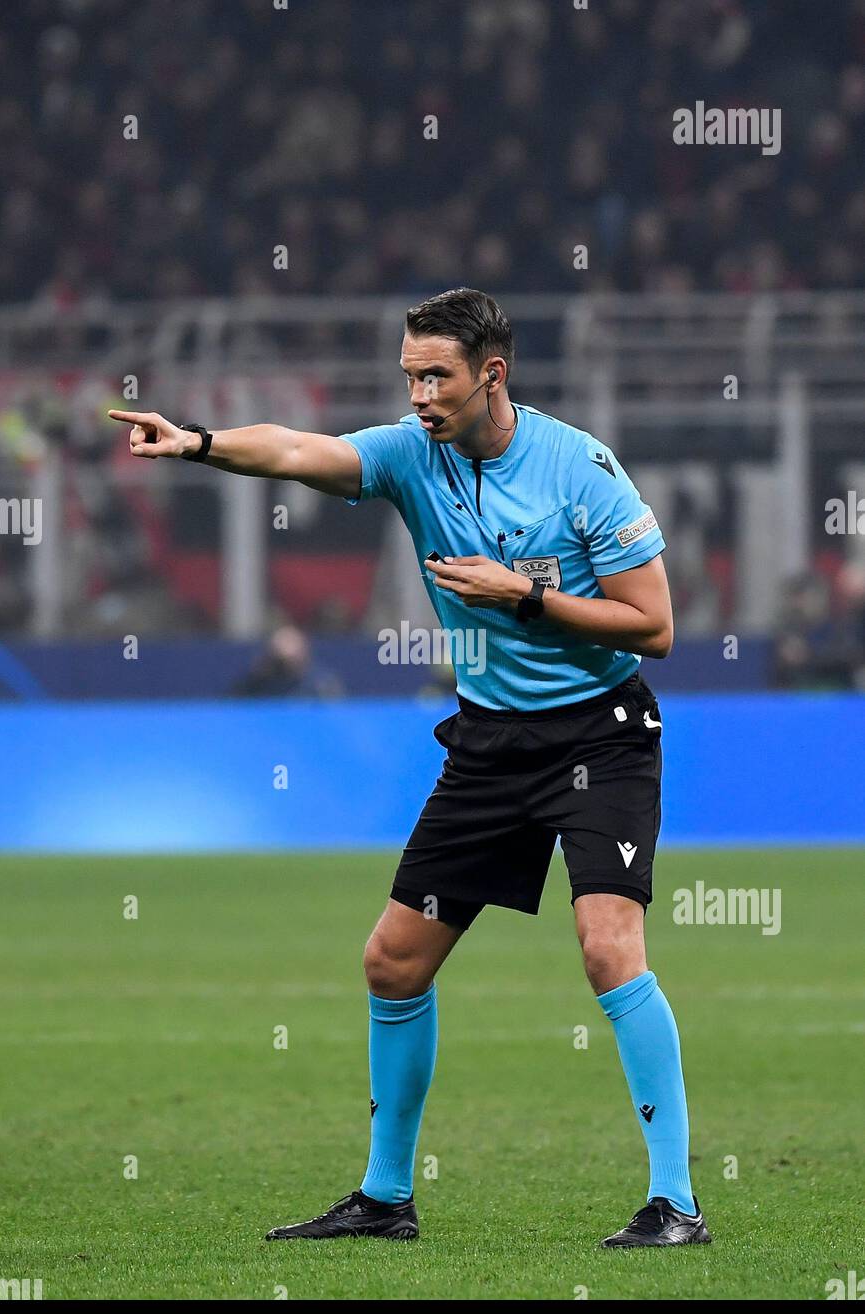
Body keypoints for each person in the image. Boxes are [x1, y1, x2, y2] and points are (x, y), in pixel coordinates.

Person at [108, 286, 710, 1249]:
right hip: (489, 743)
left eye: (437, 377)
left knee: (607, 948)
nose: (420, 395)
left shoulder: (582, 470)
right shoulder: (409, 453)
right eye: (410, 376)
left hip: (601, 735)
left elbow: (658, 627)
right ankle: (387, 1199)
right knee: (393, 961)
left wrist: (523, 598)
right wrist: (201, 443)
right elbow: (306, 452)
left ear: (491, 376)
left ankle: (675, 1203)